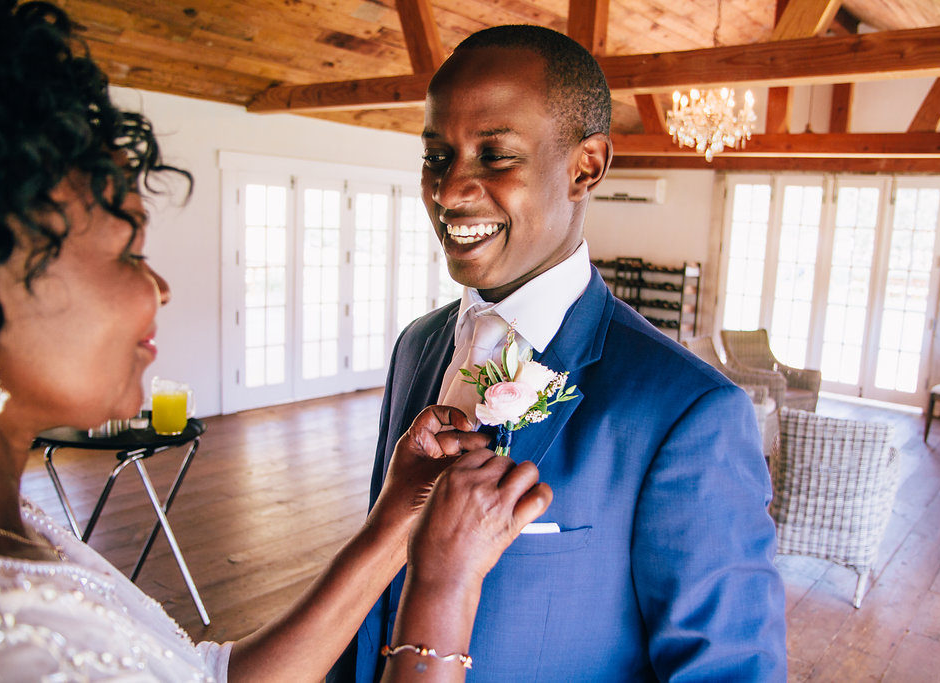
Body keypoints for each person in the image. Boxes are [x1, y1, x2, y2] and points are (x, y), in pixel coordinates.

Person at [0, 2, 551, 681]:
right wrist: (442, 585)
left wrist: (391, 525)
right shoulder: (15, 643)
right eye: (127, 252)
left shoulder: (17, 525)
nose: (159, 288)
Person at [335, 25, 787, 682]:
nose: (450, 190)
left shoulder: (688, 412)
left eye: (494, 156)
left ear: (585, 167)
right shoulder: (417, 347)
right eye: (437, 157)